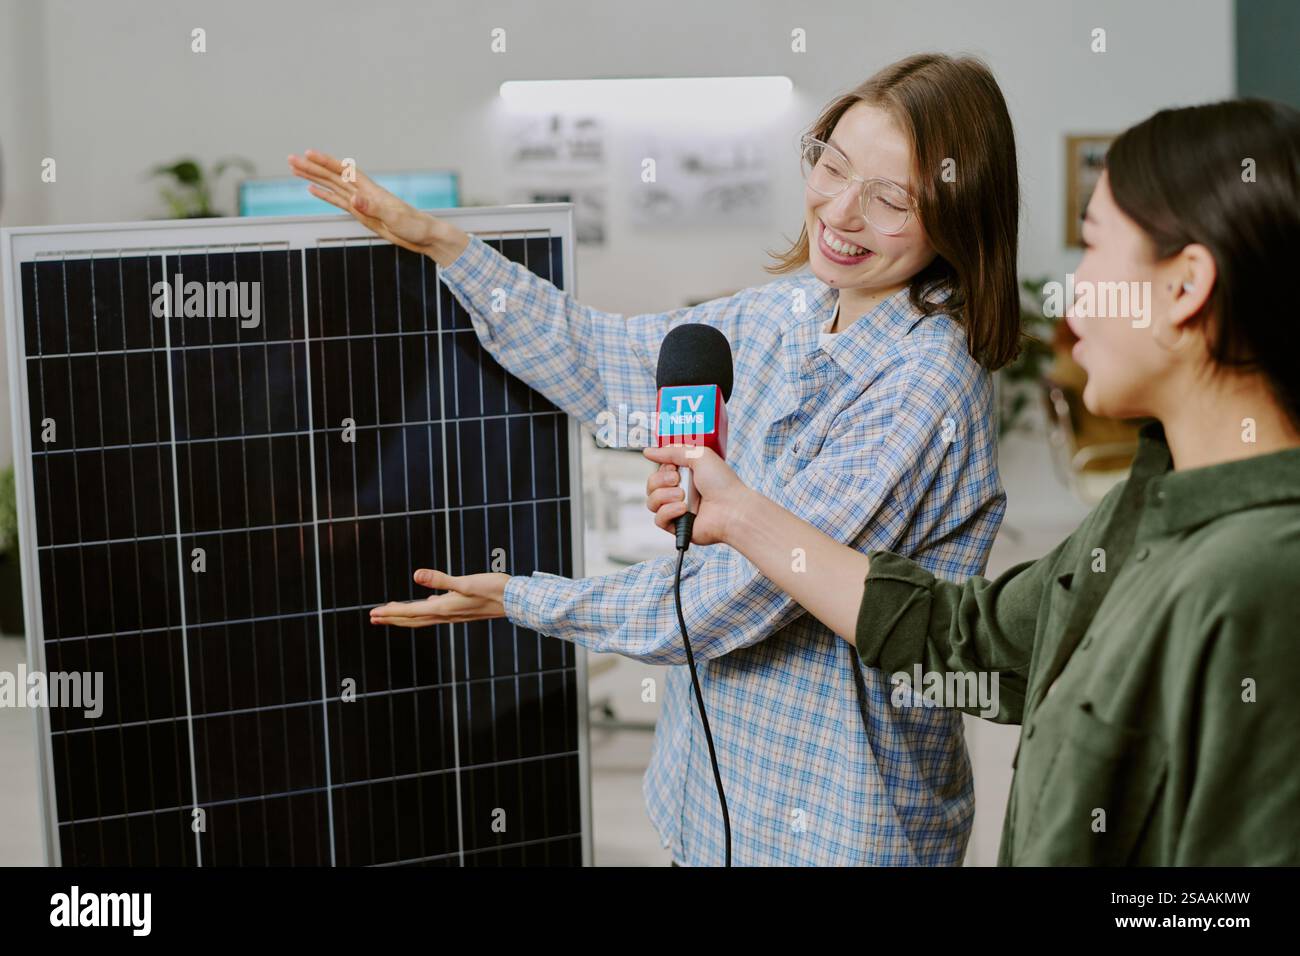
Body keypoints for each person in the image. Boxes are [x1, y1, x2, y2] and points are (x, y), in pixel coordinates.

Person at [289, 51, 1022, 866]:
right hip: (710, 807)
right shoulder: (792, 311)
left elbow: (724, 601)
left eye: (890, 199)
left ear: (959, 216)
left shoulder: (924, 384)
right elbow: (606, 361)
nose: (841, 212)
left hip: (835, 828)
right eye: (834, 168)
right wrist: (449, 247)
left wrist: (525, 599)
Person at [644, 99, 1300, 865]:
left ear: (1186, 286)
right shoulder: (1146, 503)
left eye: (1093, 250)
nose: (1070, 296)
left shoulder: (1264, 578)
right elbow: (971, 646)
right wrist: (742, 516)